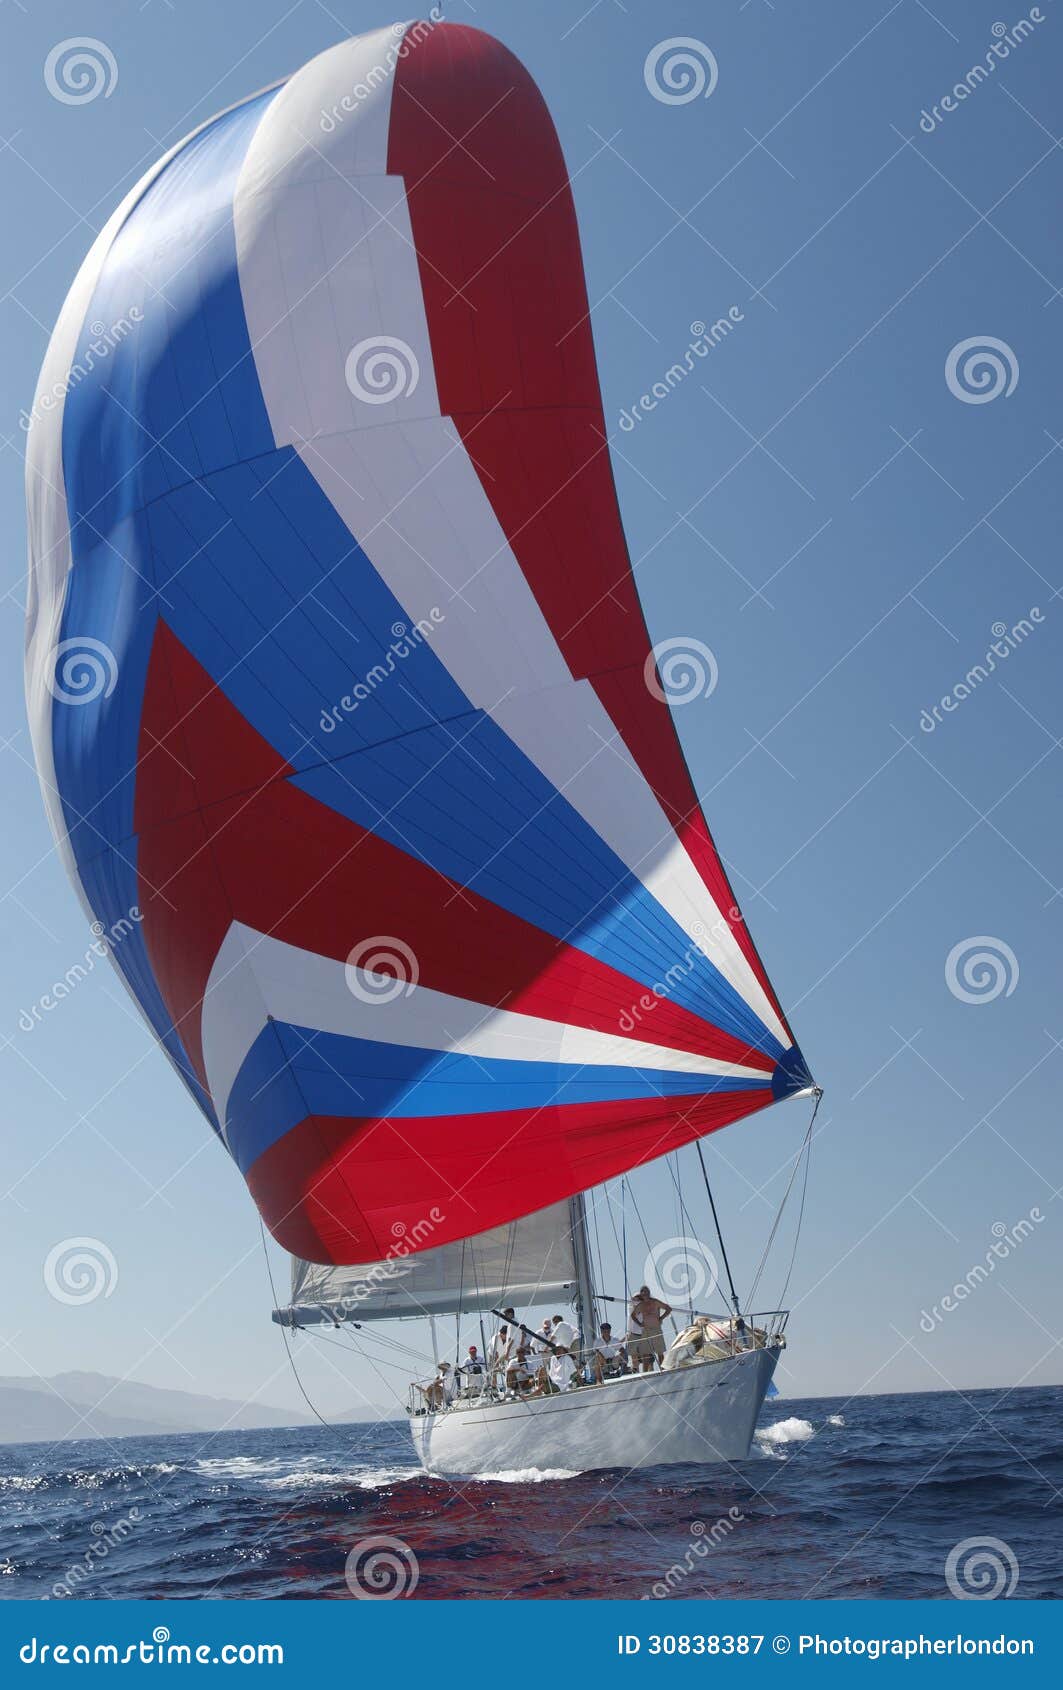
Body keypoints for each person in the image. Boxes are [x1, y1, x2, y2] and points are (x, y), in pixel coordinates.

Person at [627, 1285, 672, 1373]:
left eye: (646, 1291)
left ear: (649, 1293)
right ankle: (645, 1373)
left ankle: (663, 1370)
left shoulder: (655, 1302)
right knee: (645, 1354)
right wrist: (640, 1324)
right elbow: (633, 1315)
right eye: (642, 1292)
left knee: (660, 1352)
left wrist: (661, 1318)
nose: (644, 1293)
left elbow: (668, 1309)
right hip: (646, 1330)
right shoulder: (641, 1305)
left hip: (656, 1329)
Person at [548, 1312, 578, 1390]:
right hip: (568, 1347)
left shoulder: (561, 1324)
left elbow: (553, 1337)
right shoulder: (553, 1358)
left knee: (575, 1363)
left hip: (574, 1343)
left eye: (555, 1322)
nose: (554, 1324)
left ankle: (578, 1380)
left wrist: (546, 1347)